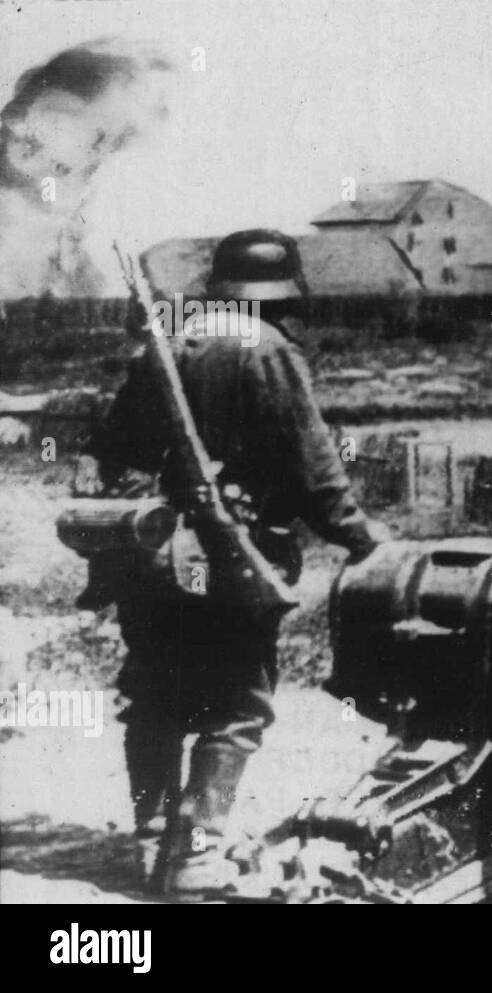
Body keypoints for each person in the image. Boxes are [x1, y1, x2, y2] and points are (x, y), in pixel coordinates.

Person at [82, 229, 387, 897]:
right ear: (279, 293)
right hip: (233, 557)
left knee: (155, 693)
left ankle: (150, 836)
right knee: (236, 701)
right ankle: (194, 849)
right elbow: (317, 473)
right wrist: (366, 540)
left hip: (156, 554)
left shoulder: (166, 345)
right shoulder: (270, 349)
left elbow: (115, 455)